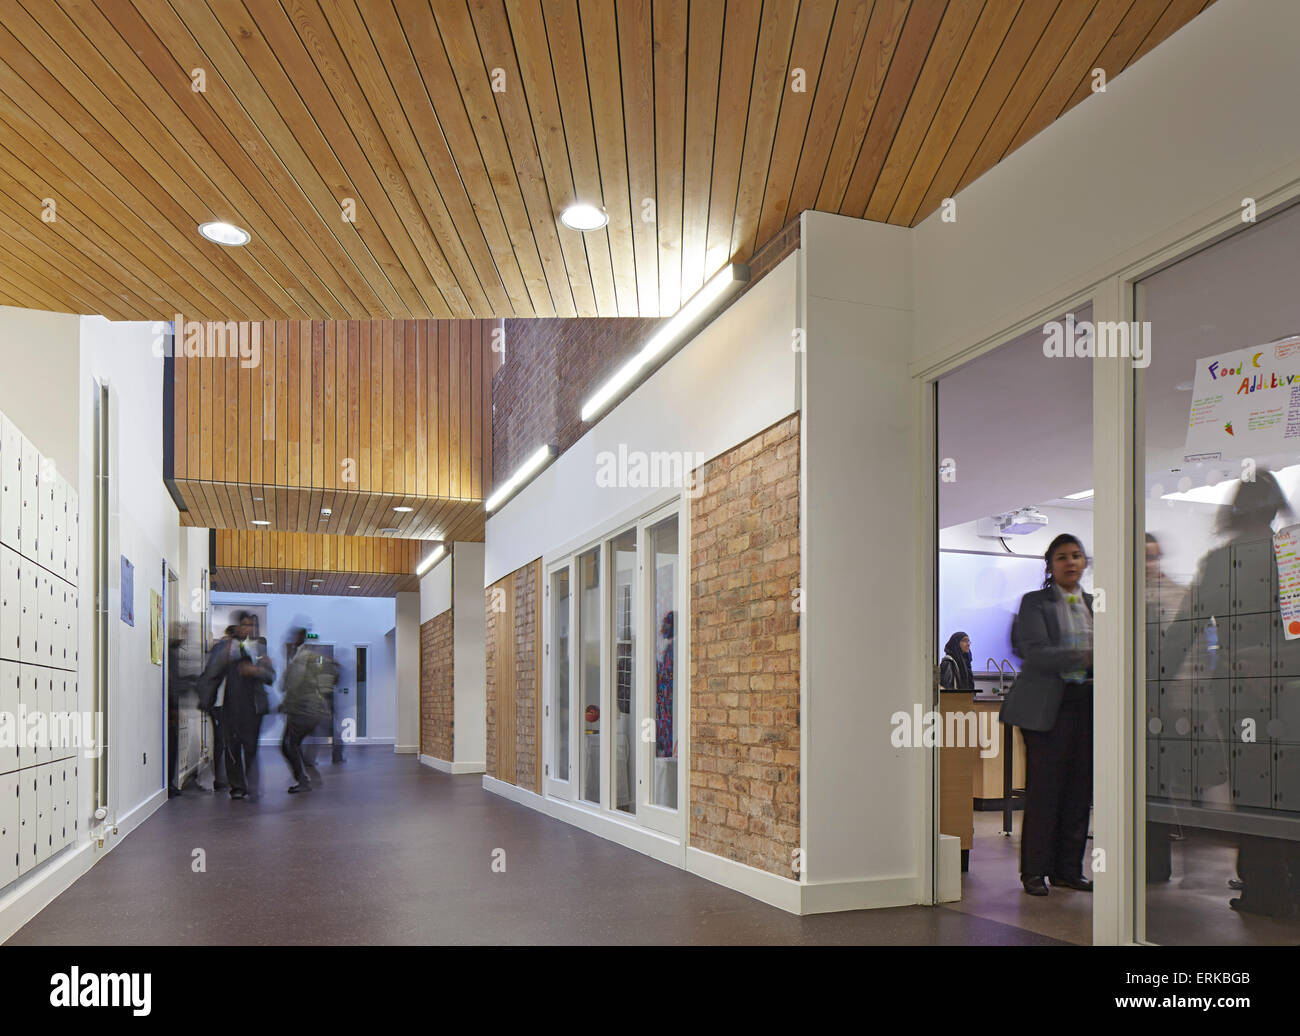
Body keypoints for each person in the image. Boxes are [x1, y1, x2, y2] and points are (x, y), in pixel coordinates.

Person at [999, 533, 1094, 896]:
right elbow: (1035, 652)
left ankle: (1069, 870)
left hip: (1086, 702)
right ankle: (1035, 872)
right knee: (1045, 791)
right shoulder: (1035, 602)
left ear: (1084, 562)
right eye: (1061, 557)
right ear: (1050, 566)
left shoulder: (1093, 602)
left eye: (1076, 556)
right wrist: (1087, 657)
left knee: (1079, 790)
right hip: (1044, 708)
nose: (1070, 562)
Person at [222, 612, 275, 800]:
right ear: (237, 627)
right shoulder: (227, 648)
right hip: (230, 706)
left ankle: (252, 786)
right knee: (233, 748)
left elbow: (271, 677)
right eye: (244, 625)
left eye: (252, 625)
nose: (248, 629)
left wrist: (256, 671)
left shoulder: (261, 649)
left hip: (253, 708)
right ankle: (237, 787)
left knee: (251, 749)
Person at [279, 627, 332, 793]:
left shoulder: (303, 657)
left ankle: (303, 779)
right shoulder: (300, 656)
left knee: (289, 744)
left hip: (304, 709)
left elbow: (290, 684)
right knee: (290, 744)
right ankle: (303, 777)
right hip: (302, 708)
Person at [195, 625, 240, 792]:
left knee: (221, 741)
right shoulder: (225, 648)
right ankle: (222, 778)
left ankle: (222, 778)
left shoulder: (224, 648)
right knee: (223, 741)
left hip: (218, 703)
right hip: (220, 703)